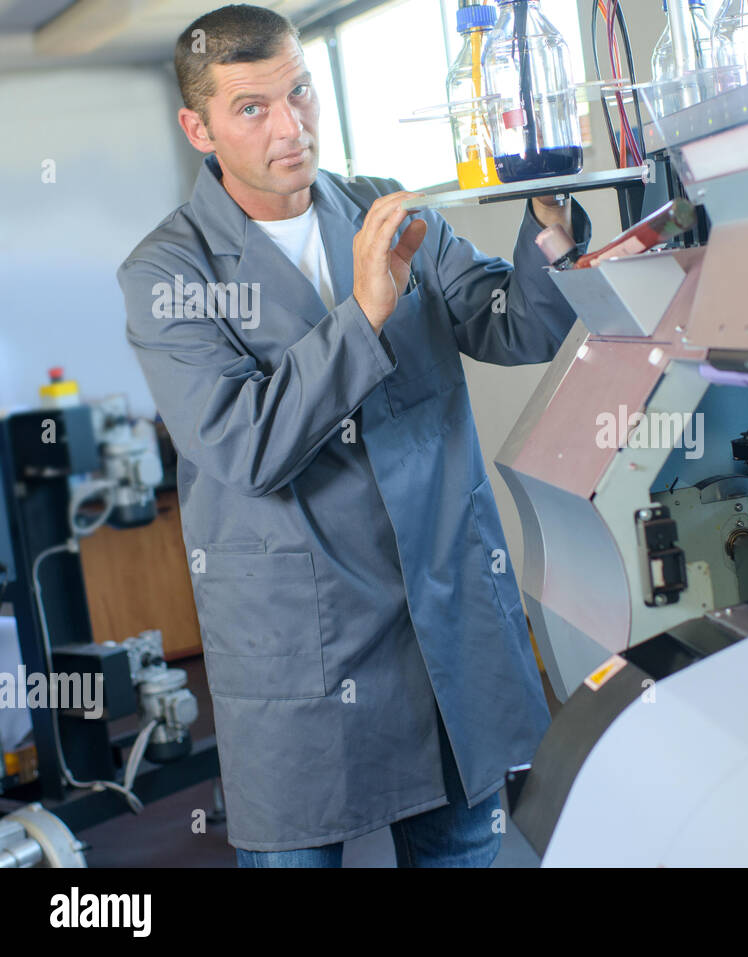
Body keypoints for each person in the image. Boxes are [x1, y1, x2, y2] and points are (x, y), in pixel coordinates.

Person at [116, 3, 591, 866]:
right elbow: (243, 444)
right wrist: (366, 313)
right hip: (305, 644)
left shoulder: (383, 208)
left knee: (460, 851)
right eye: (252, 108)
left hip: (442, 623)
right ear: (198, 127)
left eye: (301, 92)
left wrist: (549, 225)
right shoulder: (167, 272)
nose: (292, 126)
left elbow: (512, 325)